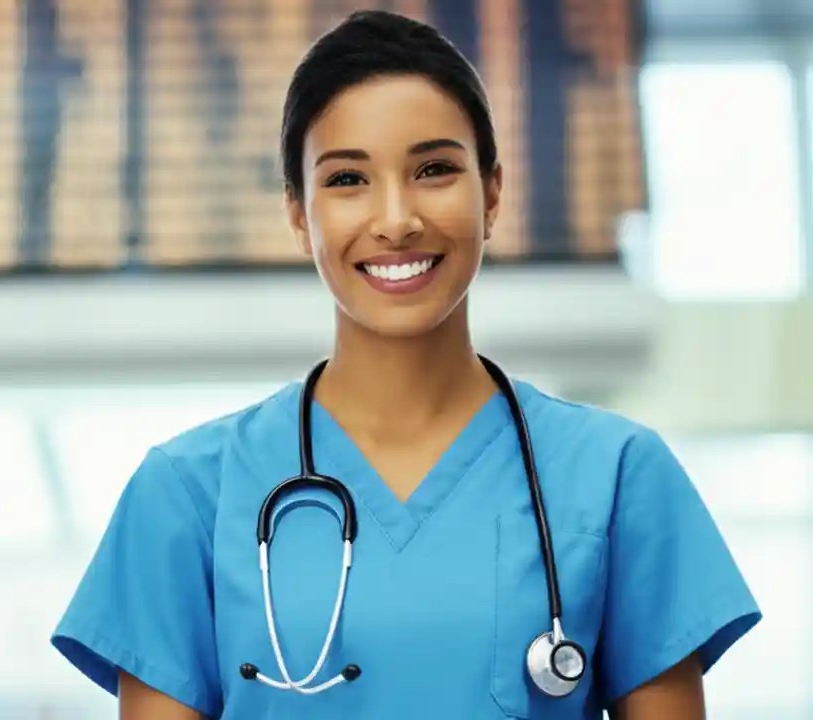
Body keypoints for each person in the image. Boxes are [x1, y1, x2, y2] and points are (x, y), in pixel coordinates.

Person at [49, 10, 760, 719]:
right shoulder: (187, 496)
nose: (396, 219)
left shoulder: (616, 475)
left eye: (434, 170)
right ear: (299, 214)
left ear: (492, 192)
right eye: (348, 179)